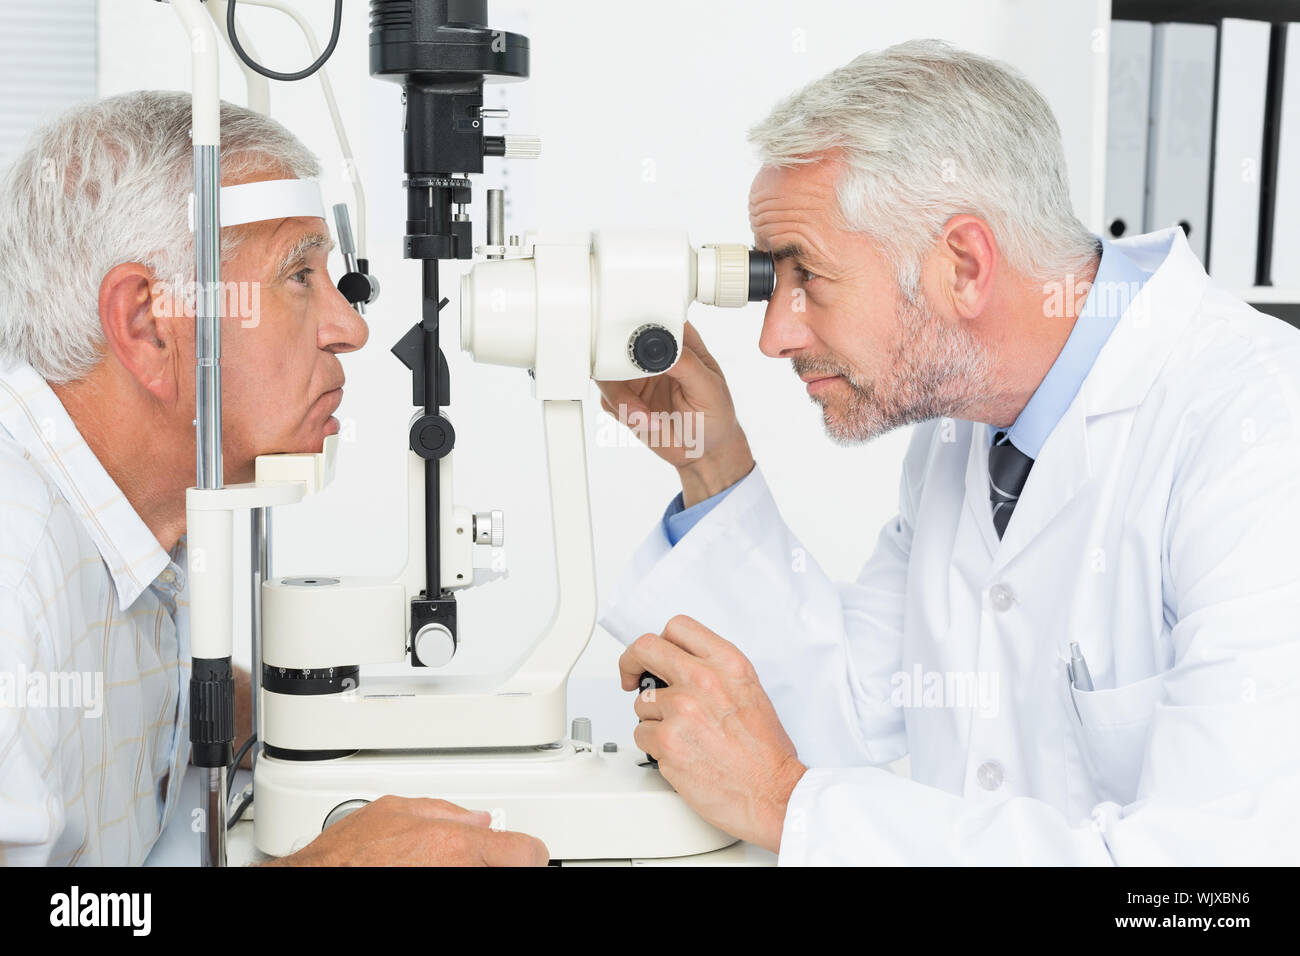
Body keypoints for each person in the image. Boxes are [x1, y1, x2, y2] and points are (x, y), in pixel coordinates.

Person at [596, 39, 1300, 864]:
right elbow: (845, 709)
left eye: (807, 277)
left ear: (963, 264)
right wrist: (710, 461)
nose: (773, 335)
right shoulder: (966, 430)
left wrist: (789, 805)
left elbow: (1209, 888)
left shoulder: (1258, 431)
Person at [0, 91, 547, 867]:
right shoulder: (13, 566)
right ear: (148, 324)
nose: (350, 328)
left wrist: (262, 717)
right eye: (299, 275)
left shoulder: (157, 527)